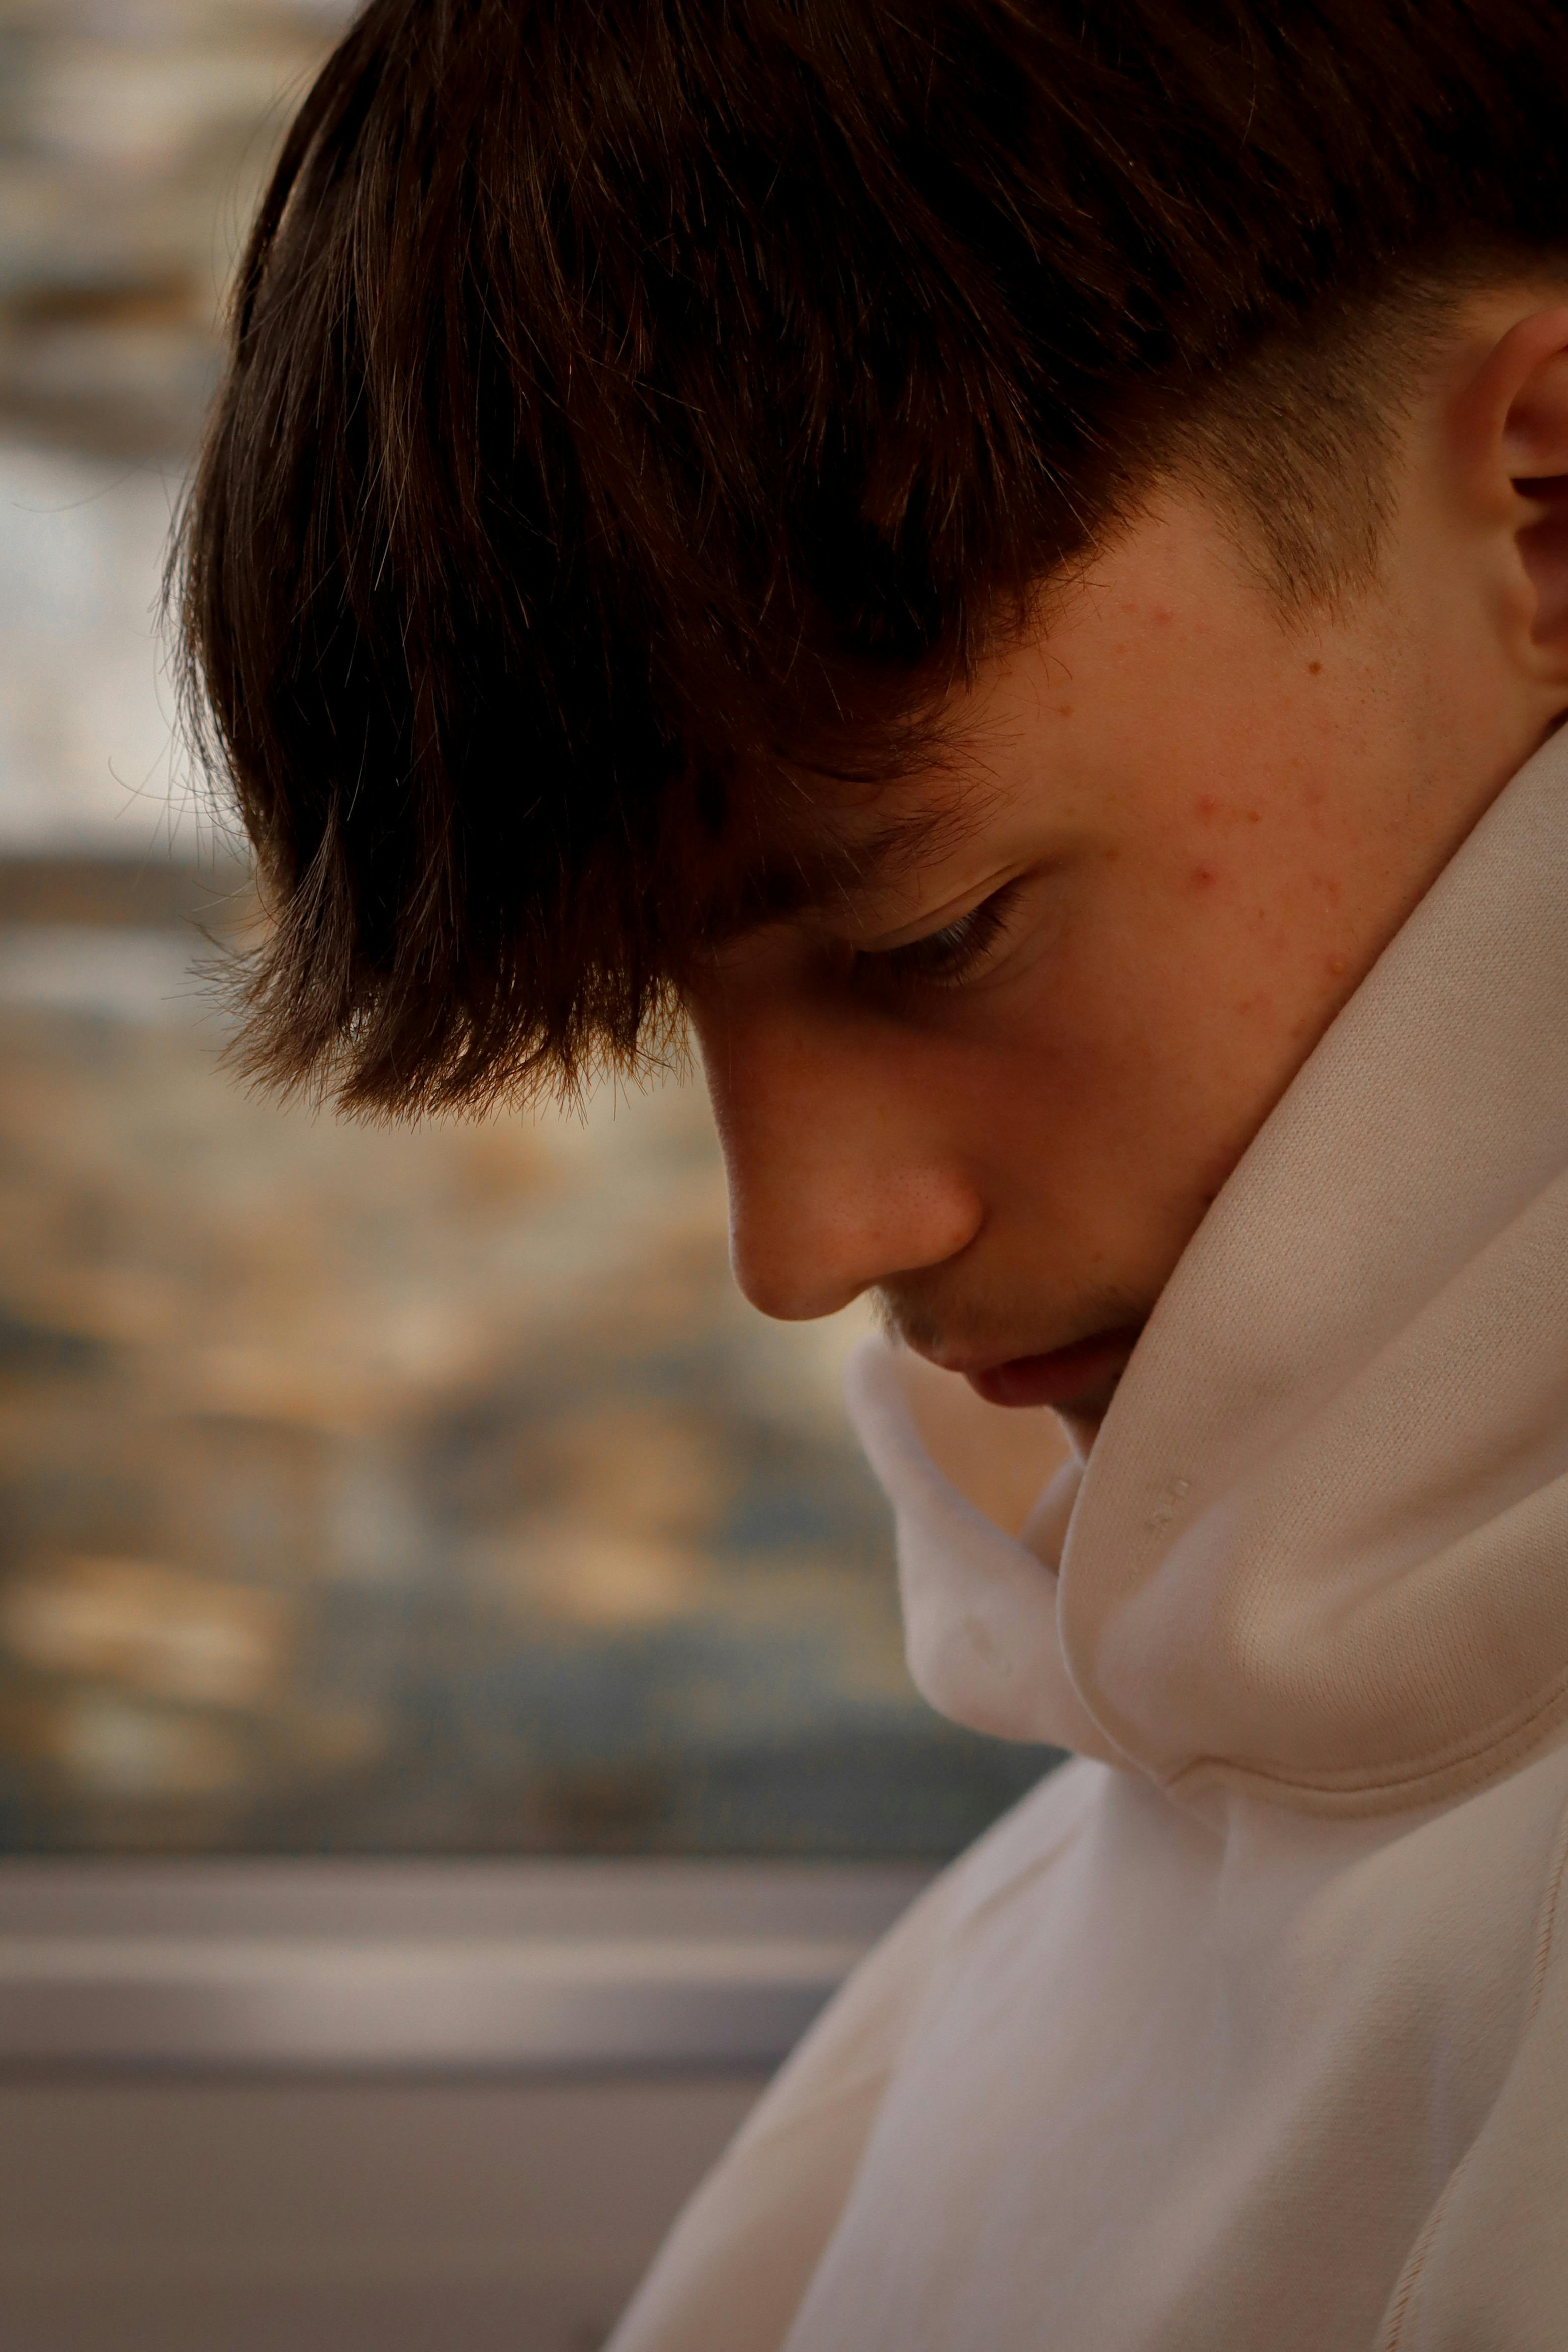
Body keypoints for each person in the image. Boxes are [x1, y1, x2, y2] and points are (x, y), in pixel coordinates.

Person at [177, 1, 1568, 2341]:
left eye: (935, 934)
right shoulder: (1161, 1820)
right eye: (672, 1023)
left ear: (1541, 504)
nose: (810, 1249)